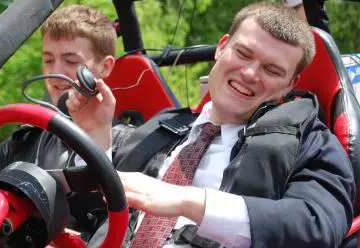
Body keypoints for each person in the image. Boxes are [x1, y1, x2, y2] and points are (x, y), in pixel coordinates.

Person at [69, 2, 354, 248]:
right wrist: (96, 133)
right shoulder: (166, 124)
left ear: (290, 86)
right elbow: (92, 212)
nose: (250, 73)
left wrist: (186, 201)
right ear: (221, 47)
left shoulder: (312, 144)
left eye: (271, 69)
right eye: (243, 54)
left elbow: (319, 227)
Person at [0, 4, 117, 236]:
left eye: (71, 61)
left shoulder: (130, 144)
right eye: (48, 60)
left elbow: (113, 223)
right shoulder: (22, 142)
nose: (56, 72)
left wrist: (96, 133)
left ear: (105, 66)